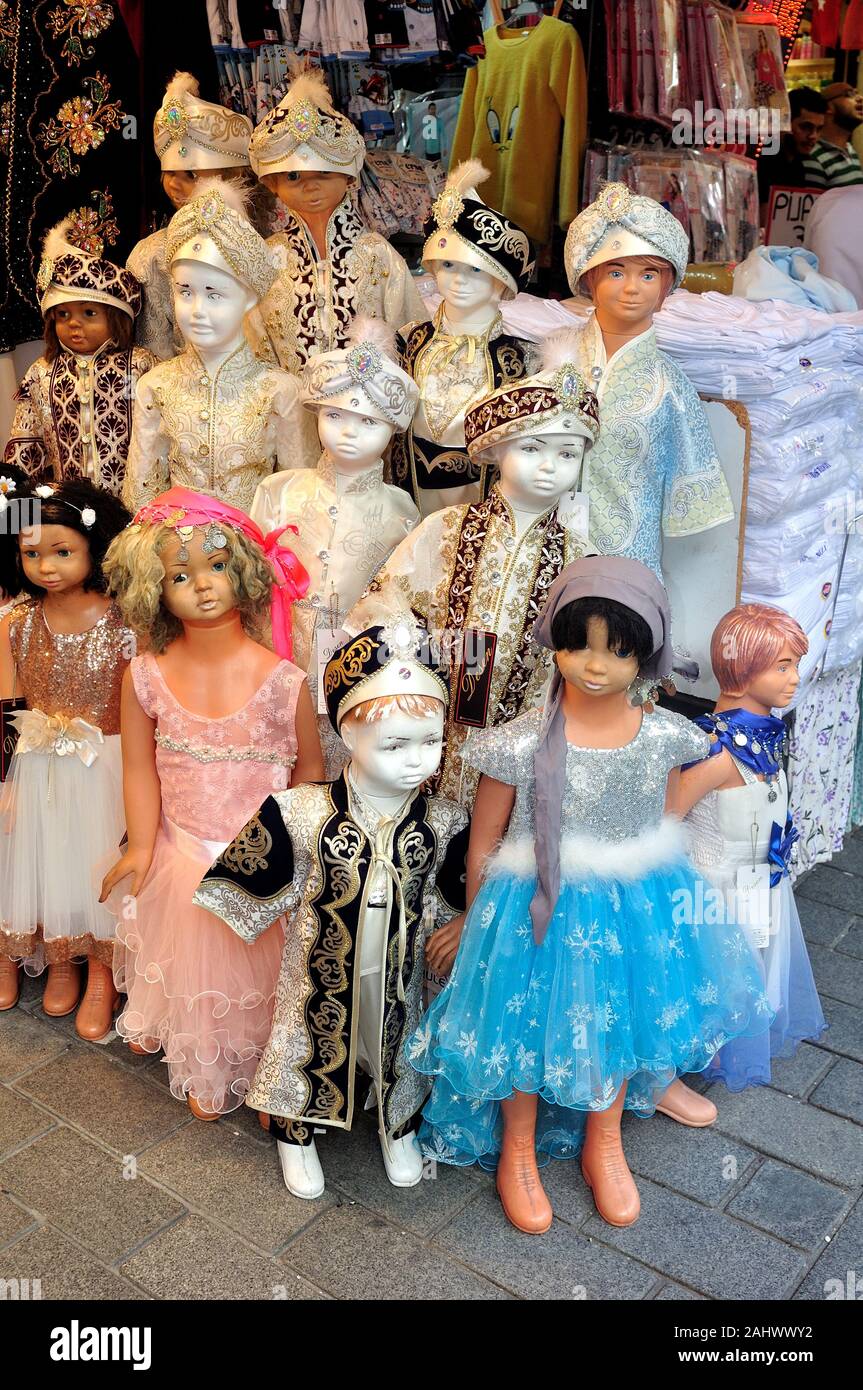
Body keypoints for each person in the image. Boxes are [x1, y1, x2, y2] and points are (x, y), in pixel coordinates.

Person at [409, 557, 773, 1233]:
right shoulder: (518, 744)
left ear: (646, 656)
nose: (595, 665)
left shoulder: (665, 736)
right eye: (579, 645)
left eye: (619, 649)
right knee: (518, 1022)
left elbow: (667, 812)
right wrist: (474, 918)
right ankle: (517, 1145)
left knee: (619, 1013)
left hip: (632, 908)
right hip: (529, 911)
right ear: (556, 641)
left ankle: (601, 1140)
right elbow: (484, 842)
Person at [193, 618, 469, 1199]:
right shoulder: (301, 812)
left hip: (400, 967)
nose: (417, 760)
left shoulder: (443, 821)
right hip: (321, 968)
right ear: (346, 733)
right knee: (308, 1031)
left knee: (394, 1031)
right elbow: (238, 888)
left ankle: (399, 1122)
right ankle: (295, 1132)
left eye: (431, 741)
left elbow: (456, 901)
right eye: (394, 744)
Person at [100, 488, 323, 1118]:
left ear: (246, 570)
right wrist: (142, 845)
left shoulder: (284, 683)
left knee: (253, 976)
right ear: (153, 586)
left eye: (217, 566)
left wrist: (298, 866)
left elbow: (309, 779)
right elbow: (138, 767)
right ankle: (191, 1040)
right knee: (184, 963)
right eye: (179, 575)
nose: (202, 586)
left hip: (259, 869)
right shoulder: (143, 674)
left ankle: (255, 1057)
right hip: (179, 851)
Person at [0, 480, 133, 1038]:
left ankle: (101, 969)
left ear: (95, 546)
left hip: (105, 761)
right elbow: (7, 703)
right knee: (48, 856)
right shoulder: (15, 622)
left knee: (97, 861)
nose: (46, 566)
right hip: (37, 763)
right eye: (31, 553)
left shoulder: (124, 620)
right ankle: (58, 959)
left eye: (62, 551)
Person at [4, 222, 154, 498]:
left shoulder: (141, 367)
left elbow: (157, 440)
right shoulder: (41, 374)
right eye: (63, 315)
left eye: (88, 313)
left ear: (116, 317)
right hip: (69, 512)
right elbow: (25, 451)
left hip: (134, 510)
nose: (74, 324)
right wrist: (16, 524)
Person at [757, 86, 827, 219]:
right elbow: (765, 221)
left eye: (819, 129)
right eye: (806, 127)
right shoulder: (765, 160)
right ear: (785, 122)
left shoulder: (798, 164)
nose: (813, 136)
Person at [804, 83, 863, 189]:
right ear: (828, 107)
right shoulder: (813, 158)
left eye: (857, 93)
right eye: (849, 94)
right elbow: (814, 205)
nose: (860, 98)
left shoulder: (850, 150)